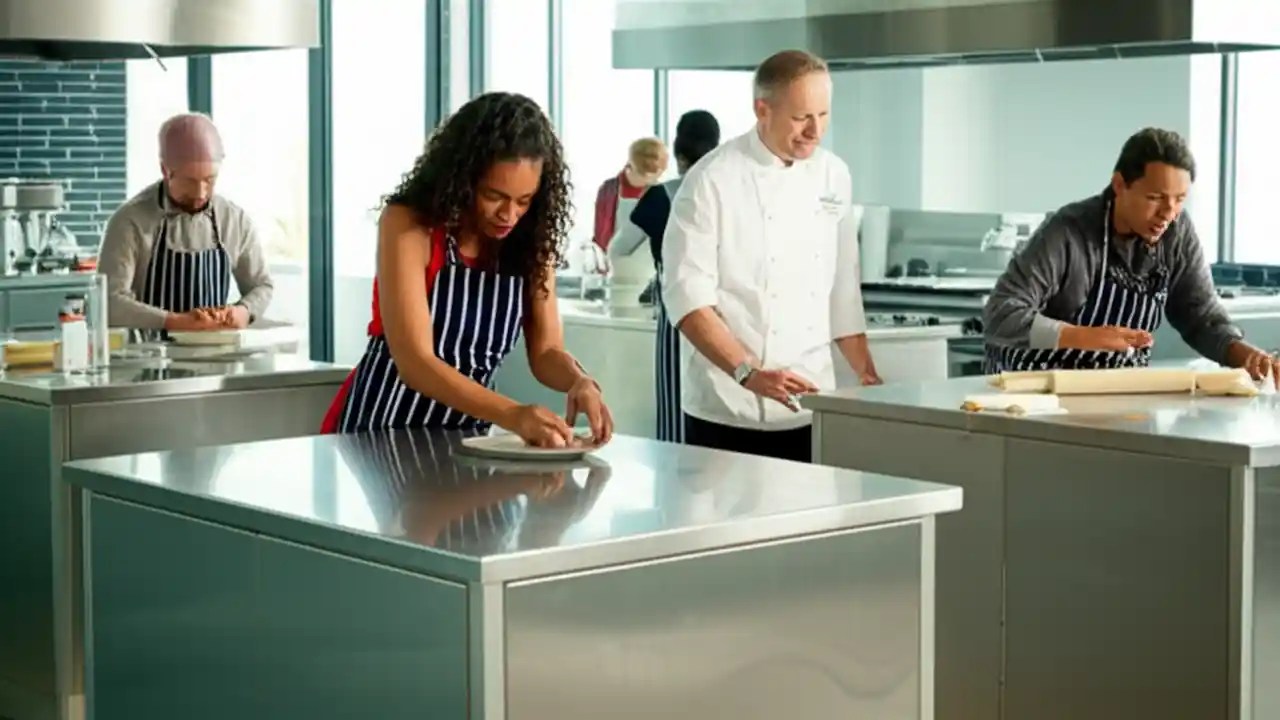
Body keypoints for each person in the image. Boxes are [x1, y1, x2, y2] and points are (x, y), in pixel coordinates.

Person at [320, 91, 615, 447]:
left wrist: (578, 380)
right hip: (379, 430)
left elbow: (546, 351)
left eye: (524, 201)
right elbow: (415, 362)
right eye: (494, 196)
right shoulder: (409, 225)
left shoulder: (531, 244)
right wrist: (512, 414)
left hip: (466, 439)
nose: (509, 215)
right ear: (462, 179)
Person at [661, 50, 880, 463]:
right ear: (763, 109)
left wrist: (868, 374)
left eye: (824, 115)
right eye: (802, 118)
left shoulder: (834, 175)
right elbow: (688, 299)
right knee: (726, 529)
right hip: (726, 408)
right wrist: (748, 373)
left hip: (811, 404)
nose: (815, 131)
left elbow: (842, 289)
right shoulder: (711, 180)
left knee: (808, 523)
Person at [984, 127, 1280, 381]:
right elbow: (1001, 313)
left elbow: (1201, 317)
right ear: (1119, 185)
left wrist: (1248, 357)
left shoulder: (1176, 233)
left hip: (1122, 397)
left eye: (1179, 200)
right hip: (1035, 401)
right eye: (1155, 198)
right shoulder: (1068, 231)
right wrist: (1081, 336)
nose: (1168, 214)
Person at [98, 112, 272, 335]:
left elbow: (262, 285)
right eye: (190, 181)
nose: (200, 193)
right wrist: (176, 322)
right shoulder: (130, 221)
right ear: (165, 171)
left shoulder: (234, 220)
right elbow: (109, 303)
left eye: (210, 180)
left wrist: (243, 311)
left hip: (216, 360)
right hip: (147, 362)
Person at [628, 109, 721, 443]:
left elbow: (619, 248)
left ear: (680, 154)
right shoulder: (726, 193)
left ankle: (677, 489)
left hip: (677, 313)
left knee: (675, 414)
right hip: (724, 315)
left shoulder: (662, 195)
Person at [592, 137, 668, 259]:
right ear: (631, 166)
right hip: (613, 266)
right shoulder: (608, 191)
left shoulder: (662, 194)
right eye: (647, 176)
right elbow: (601, 237)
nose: (652, 180)